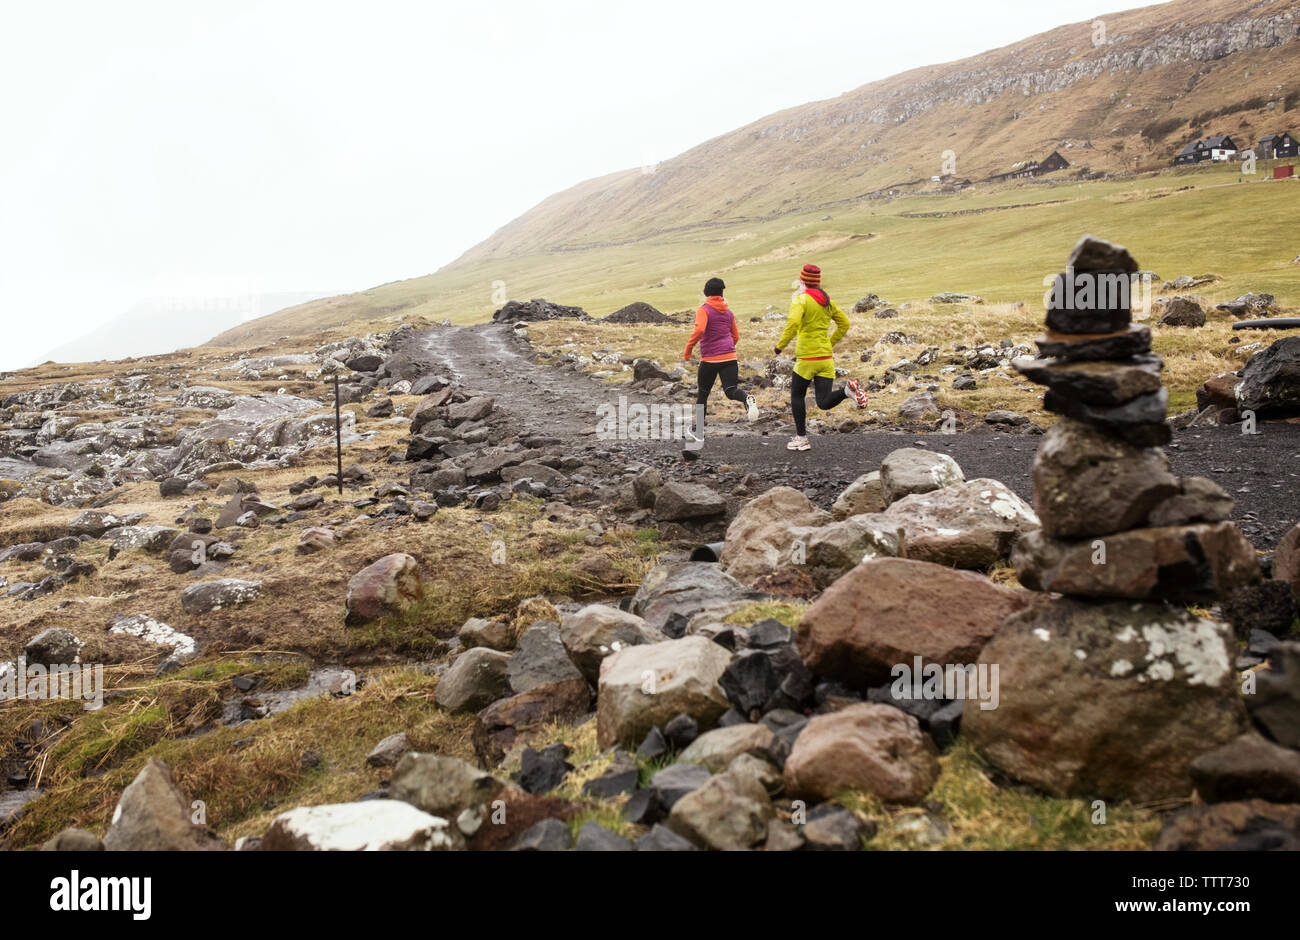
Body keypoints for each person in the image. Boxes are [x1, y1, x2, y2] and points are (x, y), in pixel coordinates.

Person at [773, 263, 868, 451]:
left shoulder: (801, 300)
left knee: (797, 396)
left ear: (803, 281)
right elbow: (845, 324)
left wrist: (779, 347)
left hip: (807, 360)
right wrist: (829, 344)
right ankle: (846, 392)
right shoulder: (827, 301)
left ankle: (801, 439)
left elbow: (792, 323)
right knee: (823, 402)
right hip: (825, 358)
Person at [683, 277, 758, 451]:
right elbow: (736, 336)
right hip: (730, 357)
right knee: (731, 390)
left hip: (710, 360)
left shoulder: (704, 310)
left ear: (706, 292)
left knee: (703, 394)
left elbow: (700, 329)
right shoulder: (728, 312)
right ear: (721, 292)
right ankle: (747, 399)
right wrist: (727, 349)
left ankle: (699, 429)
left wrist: (688, 349)